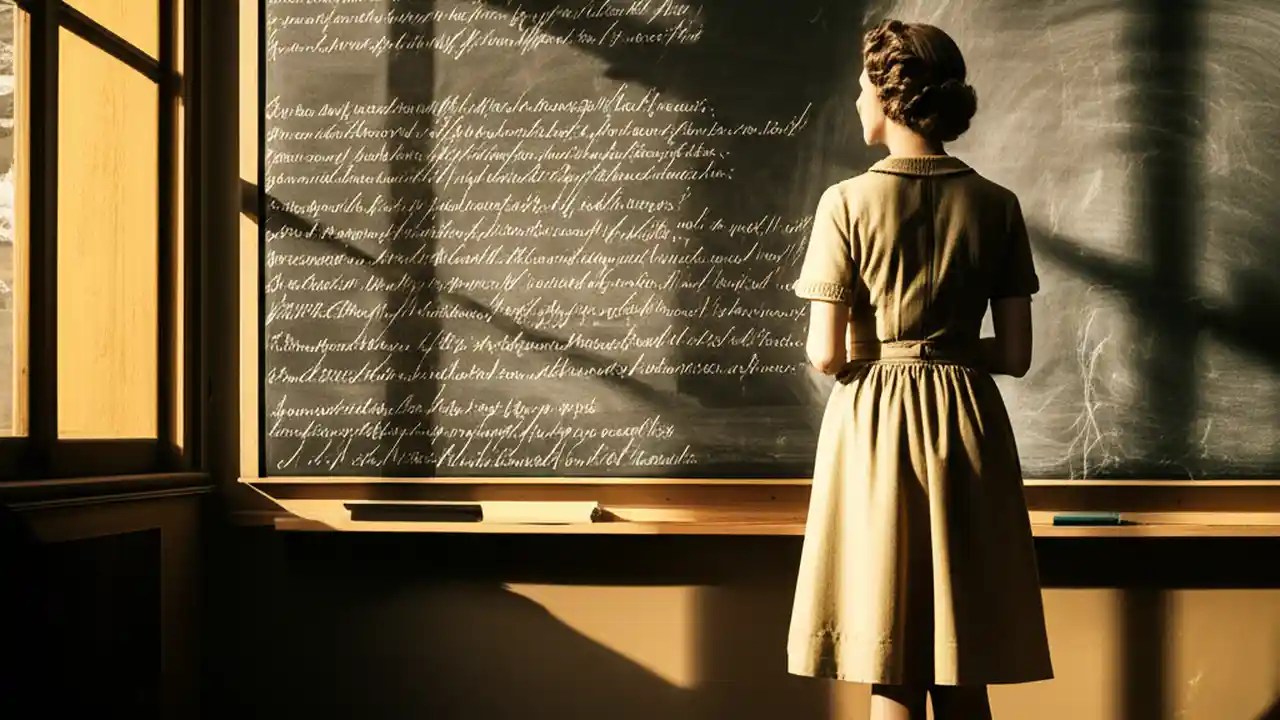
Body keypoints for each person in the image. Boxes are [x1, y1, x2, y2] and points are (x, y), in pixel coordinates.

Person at [787, 19, 1054, 720]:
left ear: (887, 94)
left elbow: (825, 353)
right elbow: (1016, 355)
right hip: (967, 424)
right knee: (962, 661)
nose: (854, 101)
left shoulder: (844, 204)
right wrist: (945, 350)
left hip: (875, 427)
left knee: (892, 660)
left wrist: (892, 351)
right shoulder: (997, 206)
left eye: (860, 87)